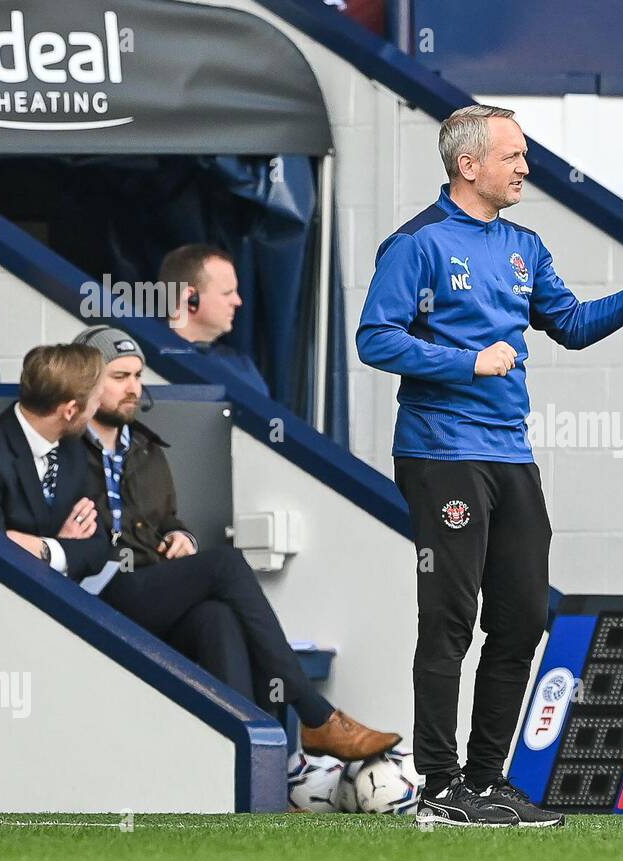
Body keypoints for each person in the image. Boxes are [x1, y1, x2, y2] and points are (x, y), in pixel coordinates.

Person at [356, 104, 623, 827]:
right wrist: (467, 361)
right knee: (449, 618)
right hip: (441, 453)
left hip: (510, 453)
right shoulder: (417, 245)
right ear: (467, 164)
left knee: (523, 617)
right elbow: (375, 340)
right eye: (512, 156)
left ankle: (485, 779)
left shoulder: (523, 245)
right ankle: (439, 786)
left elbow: (568, 325)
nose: (525, 168)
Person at [70, 325, 400, 764]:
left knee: (218, 619)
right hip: (100, 592)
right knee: (224, 564)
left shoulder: (146, 447)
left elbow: (169, 516)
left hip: (152, 587)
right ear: (88, 380)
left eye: (137, 375)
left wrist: (180, 537)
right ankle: (315, 715)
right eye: (120, 377)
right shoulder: (65, 447)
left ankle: (252, 775)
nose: (133, 388)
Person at [0, 345, 111, 584]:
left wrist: (45, 549)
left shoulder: (72, 449)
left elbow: (98, 547)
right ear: (70, 410)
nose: (97, 408)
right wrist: (64, 545)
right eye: (96, 400)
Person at [159, 244, 269, 396]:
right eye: (227, 293)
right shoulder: (144, 357)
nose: (238, 301)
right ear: (190, 298)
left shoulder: (243, 369)